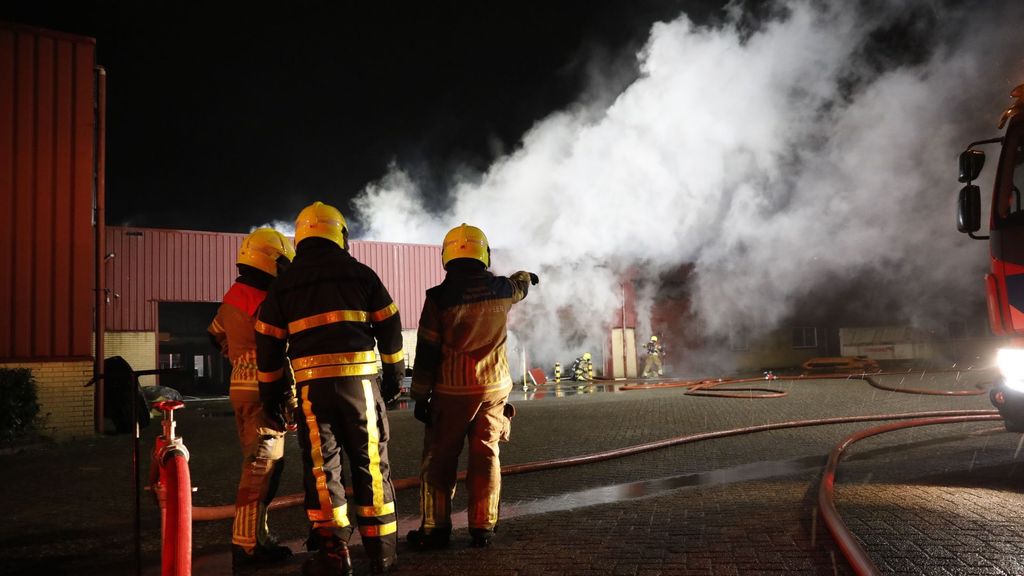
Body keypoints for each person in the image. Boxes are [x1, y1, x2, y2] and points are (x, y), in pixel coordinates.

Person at [255, 201, 405, 576]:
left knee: (322, 470)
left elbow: (268, 347)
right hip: (361, 389)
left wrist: (272, 397)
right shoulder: (362, 275)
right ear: (340, 235)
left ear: (300, 238)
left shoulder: (283, 286)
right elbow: (389, 325)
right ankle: (382, 553)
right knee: (371, 465)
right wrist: (393, 375)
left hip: (312, 391)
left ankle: (334, 552)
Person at [406, 223, 537, 550]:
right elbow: (520, 286)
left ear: (447, 256)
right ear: (484, 254)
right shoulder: (502, 288)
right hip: (494, 390)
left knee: (439, 460)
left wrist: (419, 395)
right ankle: (483, 527)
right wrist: (526, 276)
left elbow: (427, 351)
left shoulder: (438, 298)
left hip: (452, 392)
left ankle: (435, 530)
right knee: (486, 455)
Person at [208, 228, 295, 571]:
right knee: (261, 470)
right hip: (264, 390)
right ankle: (246, 546)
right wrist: (287, 396)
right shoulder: (267, 300)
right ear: (272, 261)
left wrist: (237, 357)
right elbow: (278, 350)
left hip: (241, 387)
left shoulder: (233, 296)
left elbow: (215, 333)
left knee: (266, 466)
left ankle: (258, 538)